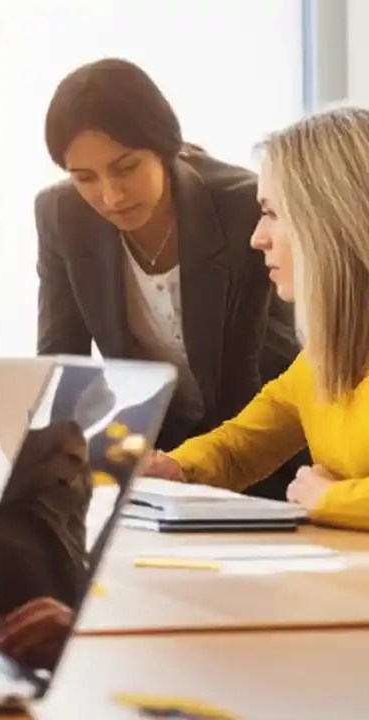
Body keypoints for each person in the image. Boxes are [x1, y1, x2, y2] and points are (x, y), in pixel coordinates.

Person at [35, 58, 303, 499]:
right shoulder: (62, 216)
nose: (110, 195)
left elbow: (272, 376)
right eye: (85, 177)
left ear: (166, 146)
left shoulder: (244, 210)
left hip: (265, 463)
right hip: (153, 460)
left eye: (126, 167)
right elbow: (63, 364)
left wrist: (197, 470)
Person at [144, 107, 369, 532]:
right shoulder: (322, 359)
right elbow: (239, 448)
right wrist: (174, 468)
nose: (257, 238)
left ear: (327, 222)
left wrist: (326, 498)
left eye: (272, 213)